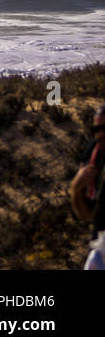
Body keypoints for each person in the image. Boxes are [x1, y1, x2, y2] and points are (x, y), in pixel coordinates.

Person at [70, 105, 105, 253]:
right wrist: (76, 188)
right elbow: (85, 214)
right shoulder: (92, 155)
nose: (101, 134)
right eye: (97, 130)